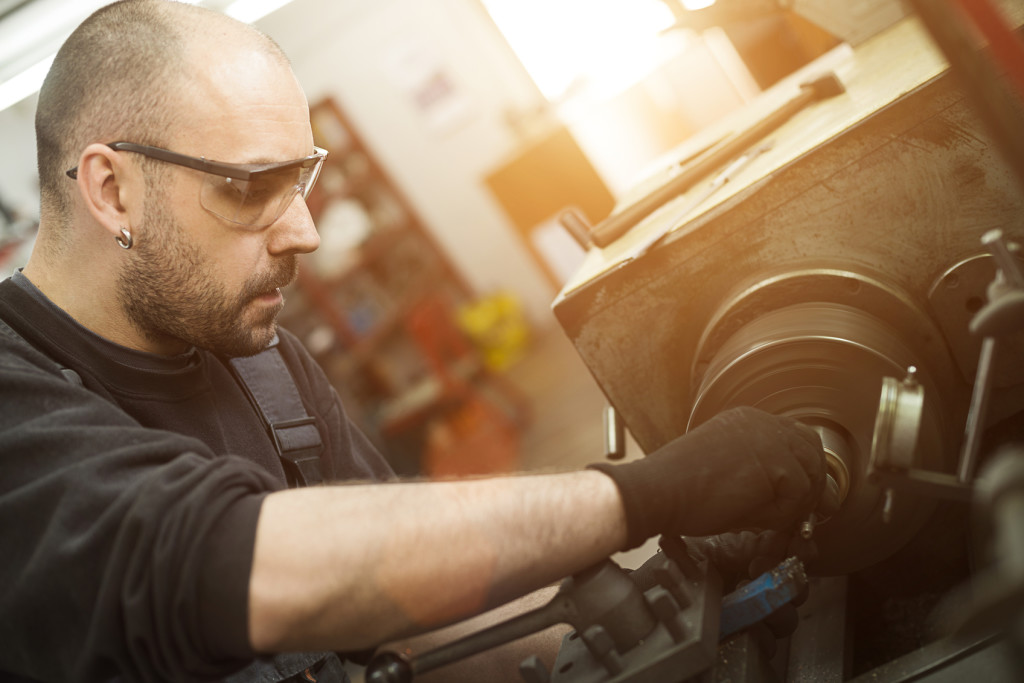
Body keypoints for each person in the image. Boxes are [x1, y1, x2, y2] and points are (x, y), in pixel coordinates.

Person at [0, 1, 830, 681]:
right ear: (112, 189)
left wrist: (647, 617)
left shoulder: (264, 364)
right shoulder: (17, 402)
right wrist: (639, 496)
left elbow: (412, 608)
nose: (308, 233)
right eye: (253, 188)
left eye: (302, 180)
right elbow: (230, 562)